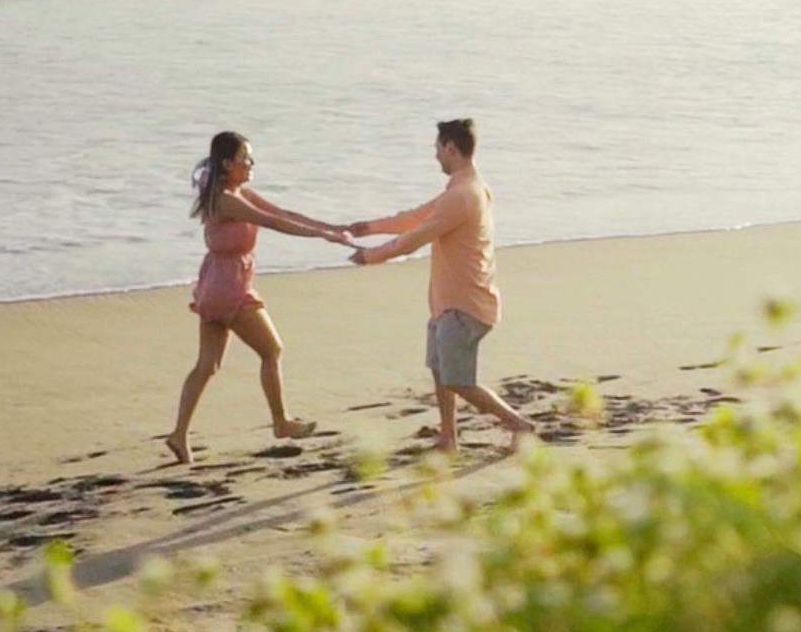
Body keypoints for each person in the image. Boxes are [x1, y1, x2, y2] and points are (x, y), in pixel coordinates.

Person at [164, 131, 354, 465]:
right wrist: (324, 236)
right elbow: (274, 222)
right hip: (230, 286)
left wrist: (333, 227)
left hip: (214, 284)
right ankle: (281, 422)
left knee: (207, 365)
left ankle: (179, 435)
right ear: (227, 164)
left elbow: (283, 212)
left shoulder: (235, 193)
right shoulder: (227, 199)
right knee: (272, 349)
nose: (251, 164)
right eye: (245, 159)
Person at [346, 117, 534, 454]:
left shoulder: (463, 195)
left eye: (437, 149)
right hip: (448, 303)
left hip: (466, 306)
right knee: (439, 369)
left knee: (458, 380)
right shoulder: (463, 188)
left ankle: (519, 424)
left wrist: (370, 256)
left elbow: (414, 238)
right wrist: (368, 227)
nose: (435, 156)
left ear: (451, 148)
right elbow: (415, 218)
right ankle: (448, 437)